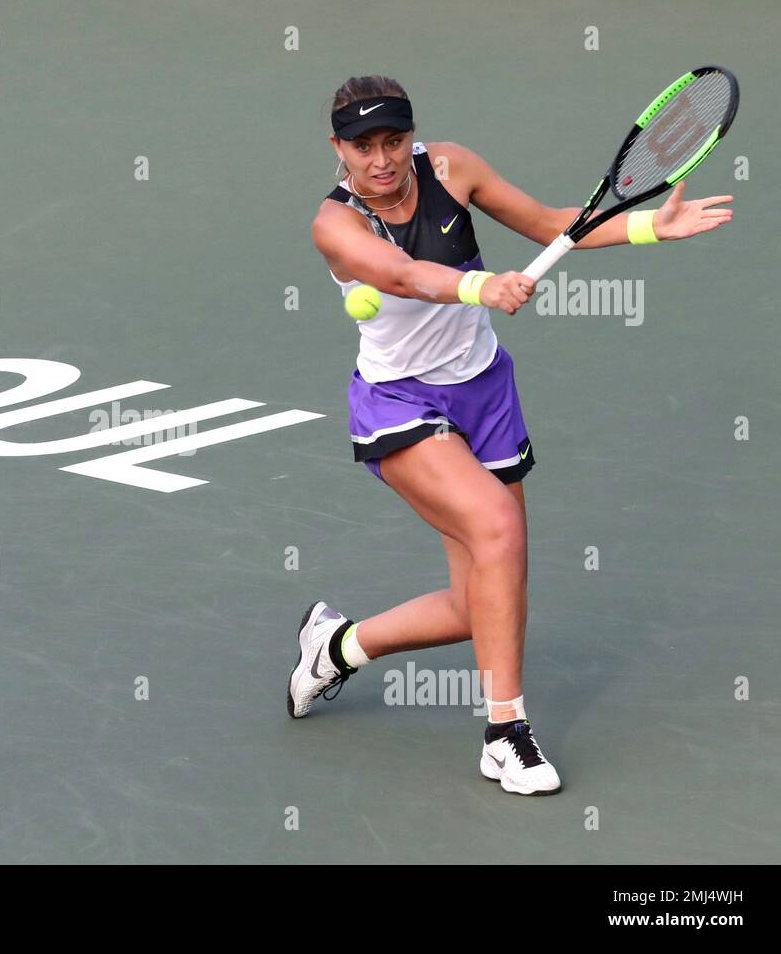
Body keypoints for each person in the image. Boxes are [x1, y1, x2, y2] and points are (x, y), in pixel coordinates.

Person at [288, 75, 733, 795]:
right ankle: (505, 734)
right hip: (401, 404)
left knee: (480, 603)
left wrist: (652, 226)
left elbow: (556, 222)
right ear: (337, 148)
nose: (381, 159)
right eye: (363, 146)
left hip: (485, 392)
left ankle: (336, 646)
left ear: (412, 135)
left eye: (393, 140)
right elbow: (400, 276)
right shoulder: (335, 225)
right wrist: (480, 286)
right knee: (497, 527)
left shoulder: (453, 167)